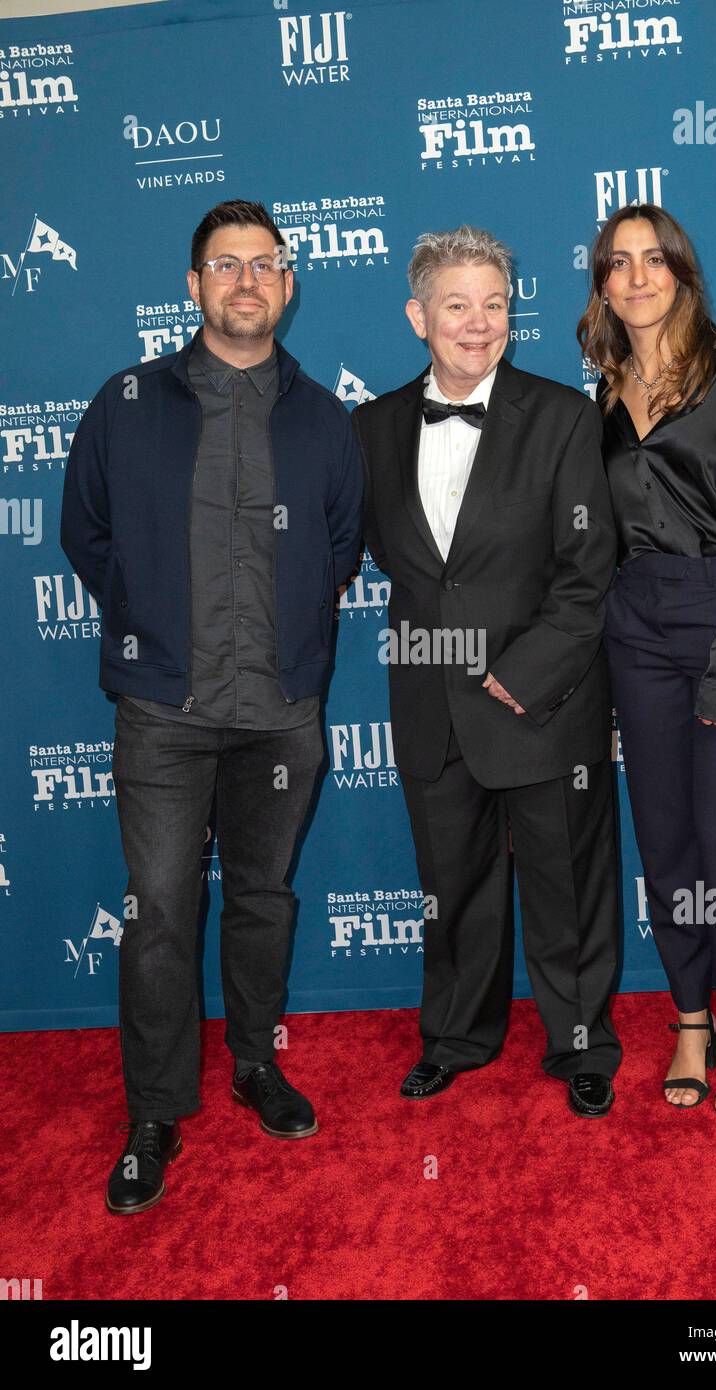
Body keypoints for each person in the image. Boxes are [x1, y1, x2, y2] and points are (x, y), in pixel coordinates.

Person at [61, 199, 363, 1212]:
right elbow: (87, 533)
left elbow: (341, 547)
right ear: (193, 286)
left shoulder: (324, 417)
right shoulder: (129, 401)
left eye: (263, 265)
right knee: (157, 913)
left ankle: (254, 1063)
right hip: (164, 708)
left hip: (281, 705)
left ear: (286, 283)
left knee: (264, 899)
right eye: (224, 265)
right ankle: (154, 1110)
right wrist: (148, 615)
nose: (245, 281)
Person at [353, 225, 621, 1117]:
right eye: (457, 305)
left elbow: (588, 573)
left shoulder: (563, 417)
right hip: (431, 702)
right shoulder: (372, 428)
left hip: (545, 703)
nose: (478, 323)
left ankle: (581, 1042)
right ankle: (457, 1038)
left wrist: (523, 673)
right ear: (417, 316)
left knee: (566, 884)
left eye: (495, 304)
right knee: (452, 886)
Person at [578, 203, 716, 1115]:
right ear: (601, 285)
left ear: (683, 272)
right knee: (665, 843)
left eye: (653, 259)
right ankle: (691, 1020)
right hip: (638, 632)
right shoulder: (602, 390)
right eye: (617, 263)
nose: (636, 276)